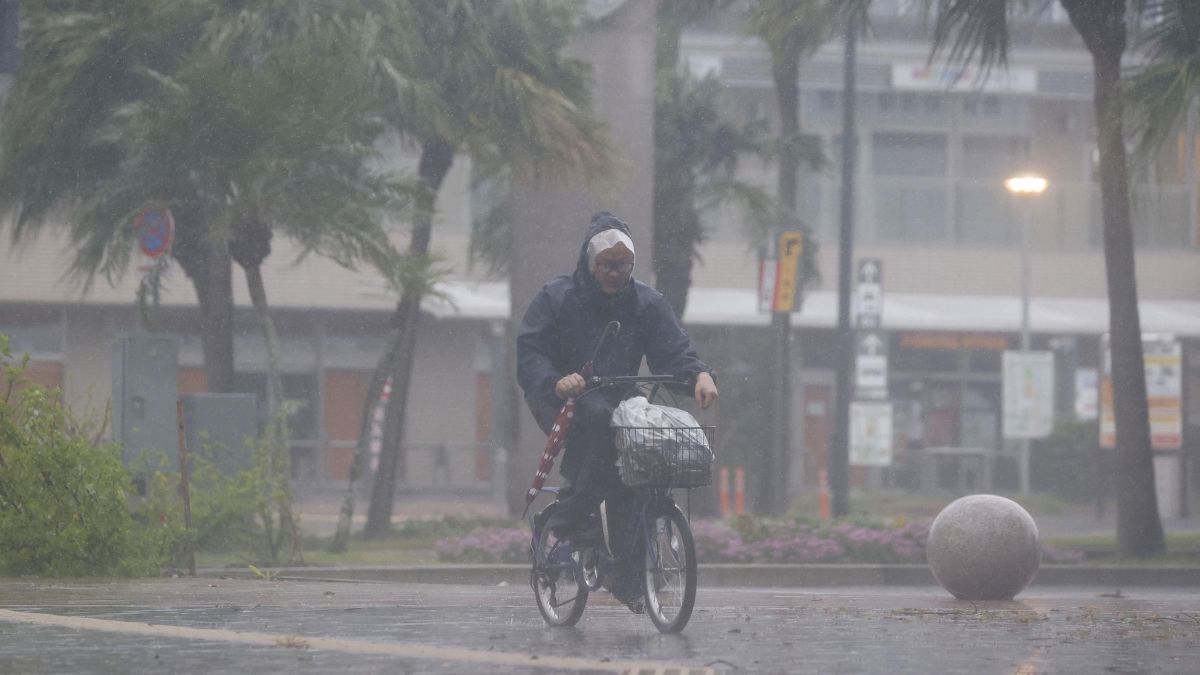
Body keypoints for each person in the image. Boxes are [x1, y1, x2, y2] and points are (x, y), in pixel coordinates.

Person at [517, 211, 718, 611]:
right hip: (562, 399)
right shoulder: (556, 298)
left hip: (621, 398)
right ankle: (570, 518)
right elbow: (530, 352)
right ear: (589, 262)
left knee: (637, 469)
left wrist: (699, 376)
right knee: (595, 422)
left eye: (621, 266)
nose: (614, 274)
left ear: (632, 265)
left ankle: (625, 575)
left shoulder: (647, 303)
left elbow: (673, 349)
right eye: (606, 265)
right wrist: (556, 380)